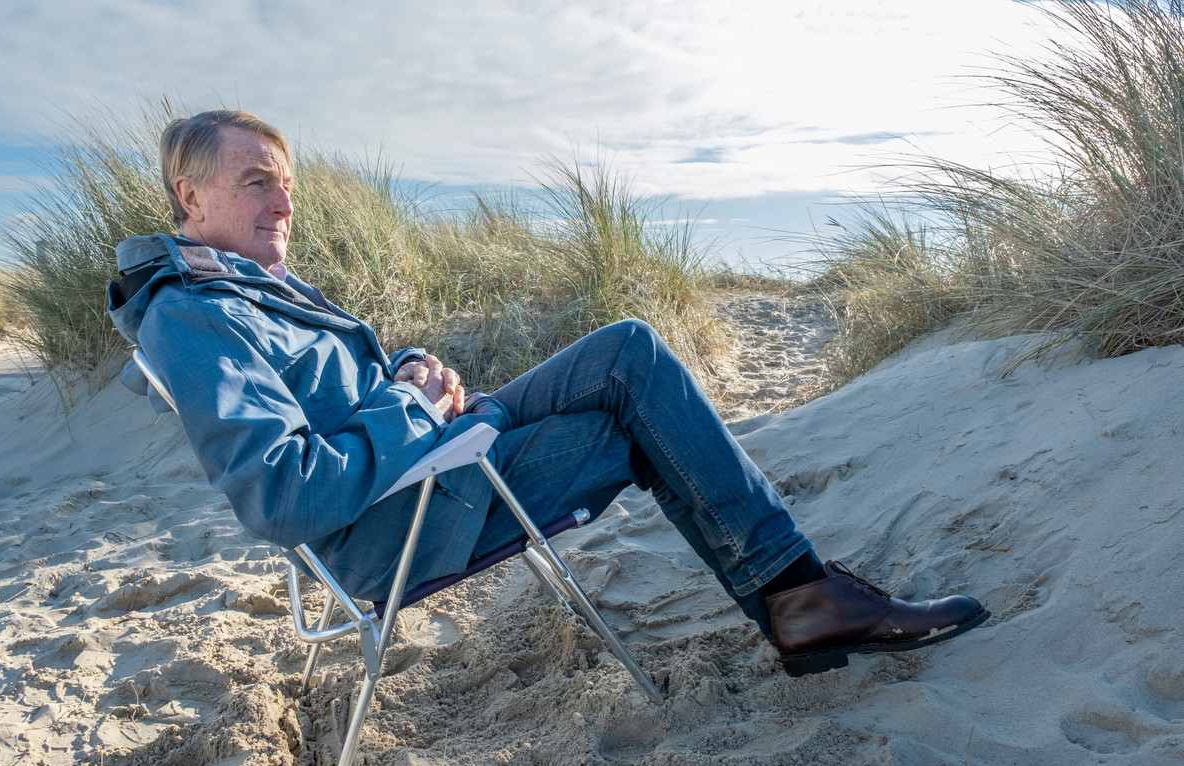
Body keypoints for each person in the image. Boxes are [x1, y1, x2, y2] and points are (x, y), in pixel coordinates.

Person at [108, 110, 988, 678]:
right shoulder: (193, 314)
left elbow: (340, 384)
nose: (282, 203)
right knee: (638, 425)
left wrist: (418, 373)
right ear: (189, 195)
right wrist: (411, 407)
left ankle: (801, 599)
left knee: (630, 354)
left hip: (430, 462)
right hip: (400, 523)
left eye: (287, 185)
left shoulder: (253, 283)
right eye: (256, 182)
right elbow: (285, 494)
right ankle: (799, 598)